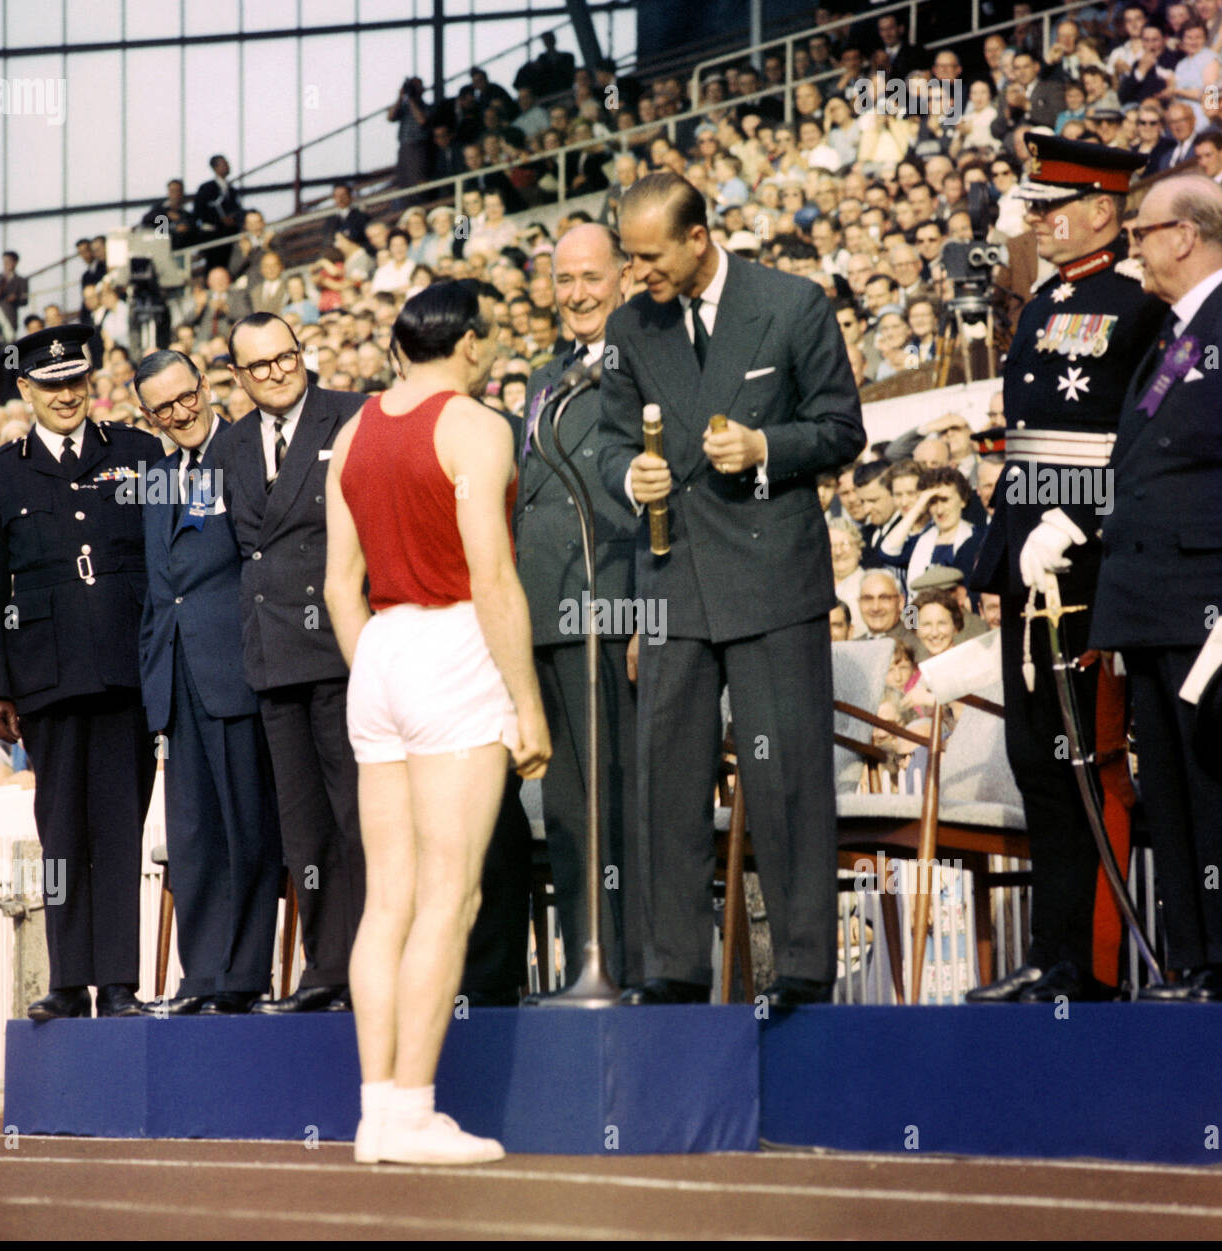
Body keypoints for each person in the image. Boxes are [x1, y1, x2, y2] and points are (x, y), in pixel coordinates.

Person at [599, 174, 866, 1008]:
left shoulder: (792, 305)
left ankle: (801, 970)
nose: (638, 273)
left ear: (697, 237)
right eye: (630, 257)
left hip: (772, 575)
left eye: (649, 257)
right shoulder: (629, 326)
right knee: (667, 783)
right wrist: (627, 475)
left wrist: (765, 446)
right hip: (672, 578)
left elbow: (842, 429)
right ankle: (672, 967)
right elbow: (610, 442)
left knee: (785, 780)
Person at [324, 280, 550, 1164]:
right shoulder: (477, 426)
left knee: (388, 901)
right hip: (453, 643)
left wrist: (382, 673)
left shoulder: (351, 431)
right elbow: (493, 578)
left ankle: (377, 1111)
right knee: (450, 897)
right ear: (467, 341)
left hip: (379, 652)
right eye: (490, 336)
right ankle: (412, 1113)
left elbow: (341, 585)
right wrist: (525, 705)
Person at [966, 134, 1166, 1004]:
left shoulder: (1138, 306)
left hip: (1088, 568)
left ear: (1103, 211)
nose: (1039, 220)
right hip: (1027, 565)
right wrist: (994, 552)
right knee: (1037, 761)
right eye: (1035, 206)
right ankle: (1053, 951)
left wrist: (1086, 533)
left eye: (1054, 206)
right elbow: (1027, 448)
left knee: (1088, 760)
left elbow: (1140, 449)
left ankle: (1088, 962)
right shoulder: (1043, 300)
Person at [1090, 174, 1222, 1001]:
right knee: (1169, 787)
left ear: (1186, 233)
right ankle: (1195, 959)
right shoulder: (1175, 332)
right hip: (1153, 601)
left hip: (1216, 604)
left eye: (1142, 231)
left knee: (1219, 788)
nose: (1135, 247)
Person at [0, 326, 164, 1020]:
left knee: (119, 829)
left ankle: (118, 983)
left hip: (126, 669)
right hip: (45, 680)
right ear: (25, 392)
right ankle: (69, 980)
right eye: (50, 386)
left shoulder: (138, 455)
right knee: (61, 833)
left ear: (92, 383)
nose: (66, 396)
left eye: (75, 382)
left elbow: (169, 561)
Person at [210, 313, 368, 1013]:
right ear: (238, 378)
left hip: (343, 648)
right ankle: (326, 967)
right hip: (272, 658)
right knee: (303, 825)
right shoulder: (233, 444)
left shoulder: (353, 416)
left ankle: (373, 963)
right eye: (260, 365)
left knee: (360, 817)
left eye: (286, 357)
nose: (277, 372)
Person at [514, 224, 643, 988]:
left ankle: (626, 968)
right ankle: (581, 967)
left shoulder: (649, 363)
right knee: (566, 810)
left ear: (624, 276)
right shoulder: (545, 375)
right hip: (542, 618)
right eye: (565, 280)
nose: (578, 294)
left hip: (609, 612)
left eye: (592, 277)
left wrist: (641, 619)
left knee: (615, 805)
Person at [134, 350, 281, 1015]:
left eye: (186, 397)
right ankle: (203, 977)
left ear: (206, 387)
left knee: (245, 828)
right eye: (163, 408)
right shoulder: (158, 476)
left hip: (238, 670)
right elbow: (159, 588)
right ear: (148, 415)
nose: (180, 414)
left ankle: (243, 978)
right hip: (176, 677)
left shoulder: (246, 453)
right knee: (192, 838)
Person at [0, 251, 27, 337]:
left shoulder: (21, 280)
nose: (5, 264)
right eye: (4, 261)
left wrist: (16, 298)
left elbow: (25, 300)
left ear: (15, 262)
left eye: (8, 261)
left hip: (10, 317)